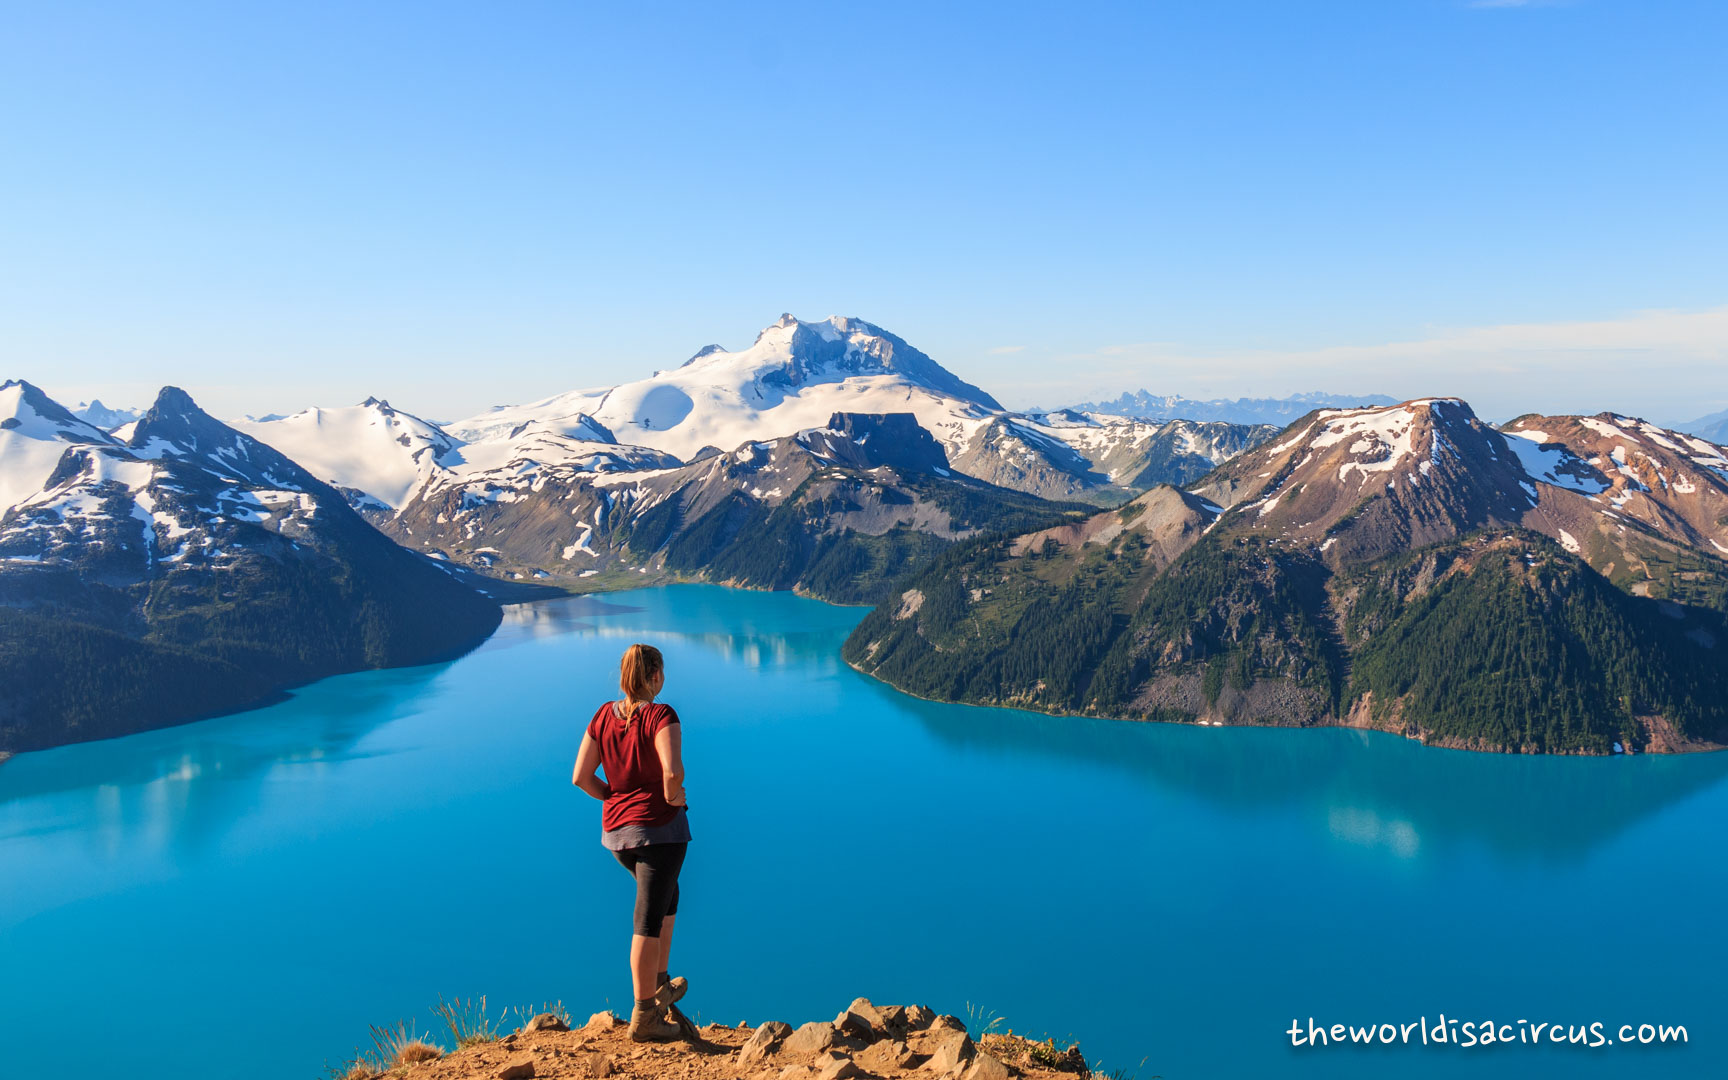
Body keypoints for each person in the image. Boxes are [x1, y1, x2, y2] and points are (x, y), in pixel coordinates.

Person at [571, 642, 692, 1041]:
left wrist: (614, 797)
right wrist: (675, 798)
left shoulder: (603, 715)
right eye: (661, 672)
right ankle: (645, 1017)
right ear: (654, 676)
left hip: (618, 836)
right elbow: (671, 773)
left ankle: (659, 985)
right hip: (659, 833)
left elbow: (581, 777)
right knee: (647, 920)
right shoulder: (662, 714)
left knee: (666, 898)